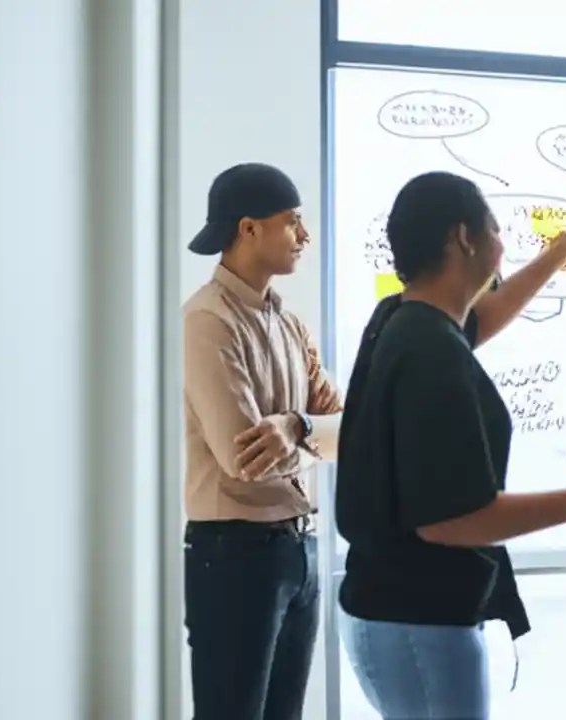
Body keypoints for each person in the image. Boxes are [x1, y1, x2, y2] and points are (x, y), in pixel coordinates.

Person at [333, 171, 566, 720]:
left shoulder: (404, 319)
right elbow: (450, 521)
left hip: (392, 611)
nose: (502, 243)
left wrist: (555, 257)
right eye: (495, 228)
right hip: (420, 620)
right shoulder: (431, 351)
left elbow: (481, 316)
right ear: (463, 237)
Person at [182, 162, 345, 720]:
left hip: (298, 550)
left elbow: (356, 427)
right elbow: (243, 458)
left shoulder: (289, 323)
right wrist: (314, 433)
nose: (304, 236)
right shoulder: (206, 320)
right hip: (233, 555)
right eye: (293, 222)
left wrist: (295, 427)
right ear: (249, 228)